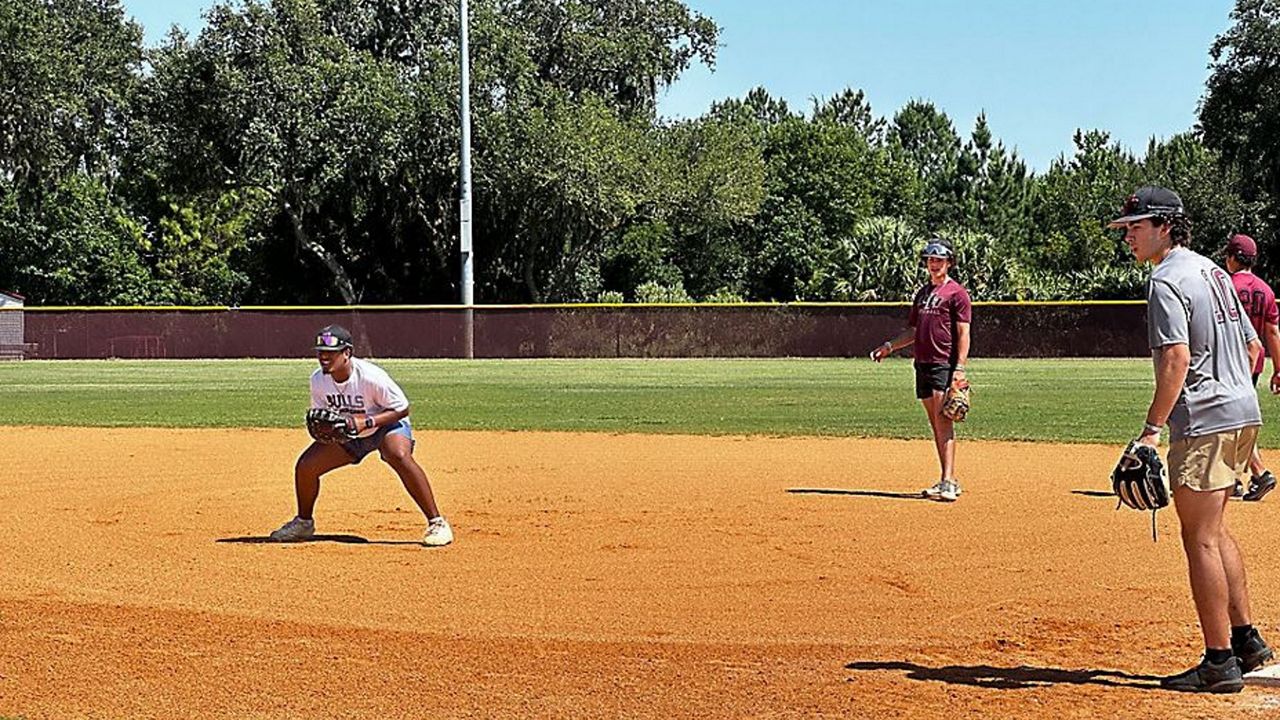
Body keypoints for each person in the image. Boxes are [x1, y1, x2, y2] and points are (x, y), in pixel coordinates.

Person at [1111, 186, 1271, 692]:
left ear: (1165, 225)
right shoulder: (1212, 270)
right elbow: (1250, 346)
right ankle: (1247, 641)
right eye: (1127, 227)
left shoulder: (1165, 280)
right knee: (1217, 530)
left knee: (1198, 536)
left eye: (1137, 225)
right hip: (1243, 413)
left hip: (1205, 419)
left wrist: (1151, 431)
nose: (1129, 235)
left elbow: (1176, 359)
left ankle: (1219, 662)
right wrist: (1231, 391)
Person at [269, 324, 453, 546]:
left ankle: (437, 523)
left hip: (387, 424)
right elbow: (324, 417)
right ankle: (303, 523)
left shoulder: (371, 377)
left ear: (347, 353)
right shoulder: (318, 380)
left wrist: (366, 422)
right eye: (320, 352)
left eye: (330, 352)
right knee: (306, 466)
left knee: (398, 455)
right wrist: (329, 432)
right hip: (351, 432)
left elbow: (402, 408)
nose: (323, 357)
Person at [871, 237, 972, 501]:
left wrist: (959, 368)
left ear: (949, 262)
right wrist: (889, 346)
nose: (934, 264)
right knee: (935, 423)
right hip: (923, 363)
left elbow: (964, 333)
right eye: (930, 259)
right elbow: (914, 331)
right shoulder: (923, 293)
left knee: (944, 420)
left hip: (943, 363)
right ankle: (947, 479)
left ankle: (948, 481)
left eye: (939, 260)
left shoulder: (957, 293)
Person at [1224, 232, 1280, 501]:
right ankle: (1257, 474)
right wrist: (1278, 369)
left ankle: (1237, 479)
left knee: (1227, 421)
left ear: (1233, 257)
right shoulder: (1266, 290)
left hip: (1227, 362)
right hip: (1254, 364)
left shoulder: (1224, 285)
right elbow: (1272, 332)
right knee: (1238, 420)